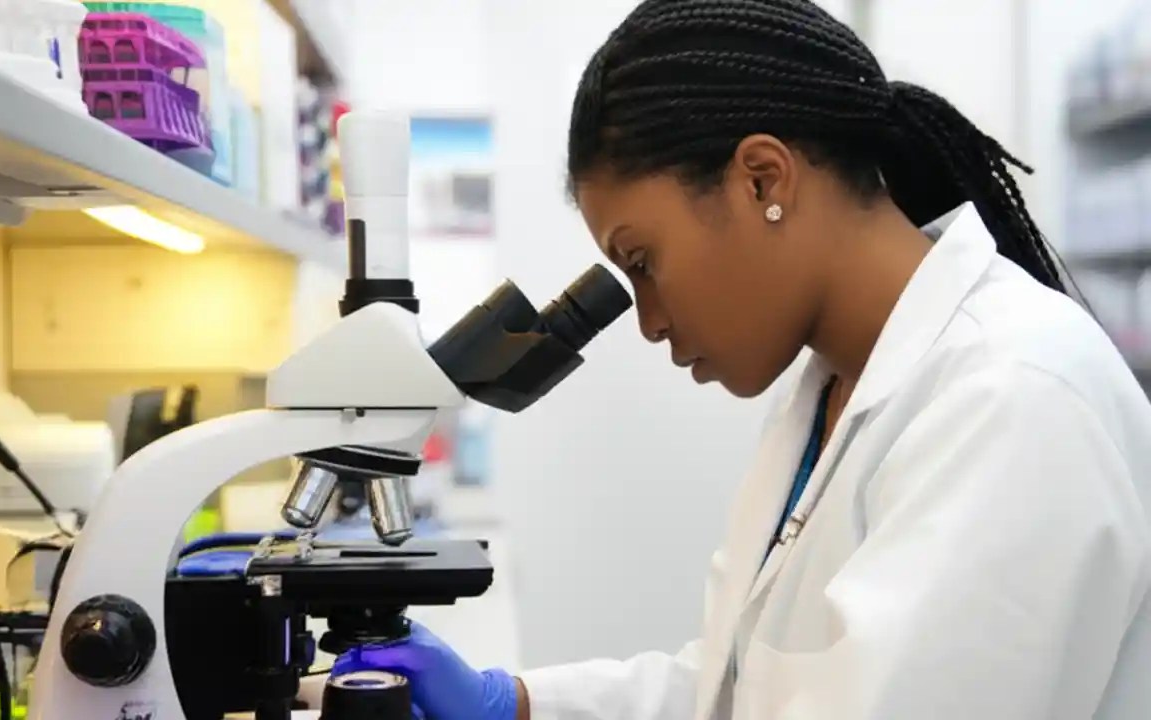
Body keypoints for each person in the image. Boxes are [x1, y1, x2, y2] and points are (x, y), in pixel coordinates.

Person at [332, 0, 1151, 718]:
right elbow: (738, 690)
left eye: (643, 262)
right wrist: (512, 705)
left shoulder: (1015, 399)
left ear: (763, 180)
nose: (648, 322)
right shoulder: (830, 391)